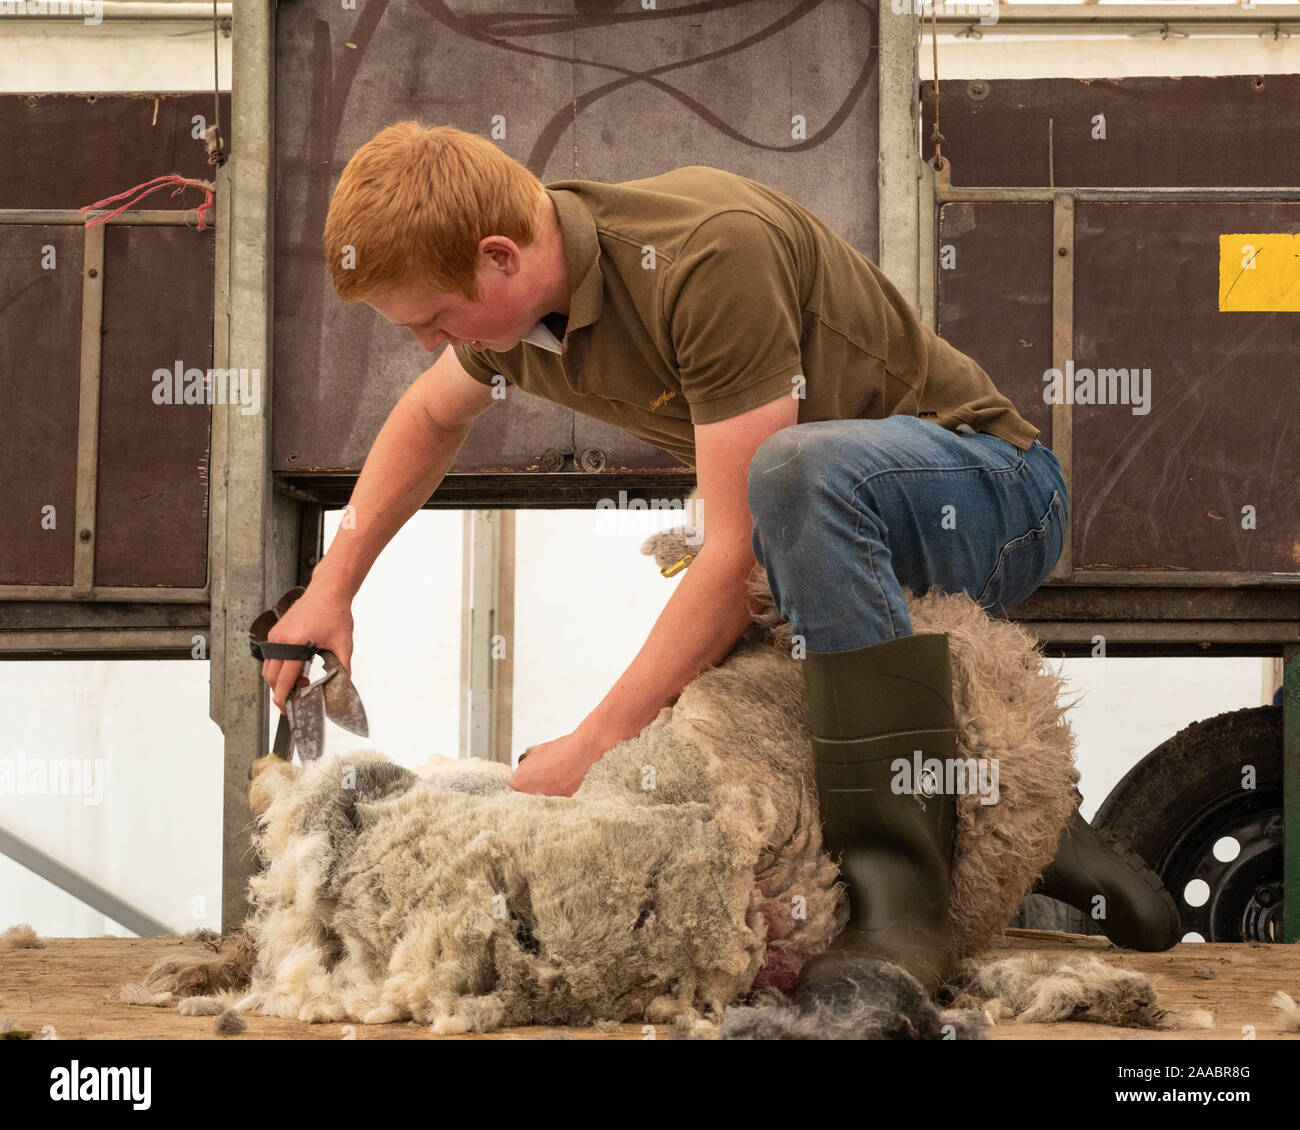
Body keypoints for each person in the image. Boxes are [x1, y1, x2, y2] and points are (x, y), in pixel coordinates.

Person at [260, 123, 1171, 996]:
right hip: (829, 537)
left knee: (787, 481)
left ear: (500, 256)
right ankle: (1019, 815)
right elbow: (427, 417)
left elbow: (736, 556)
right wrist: (330, 589)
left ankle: (906, 907)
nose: (431, 342)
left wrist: (593, 742)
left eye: (433, 317)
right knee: (744, 648)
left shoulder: (703, 255)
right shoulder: (519, 322)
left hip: (995, 491)